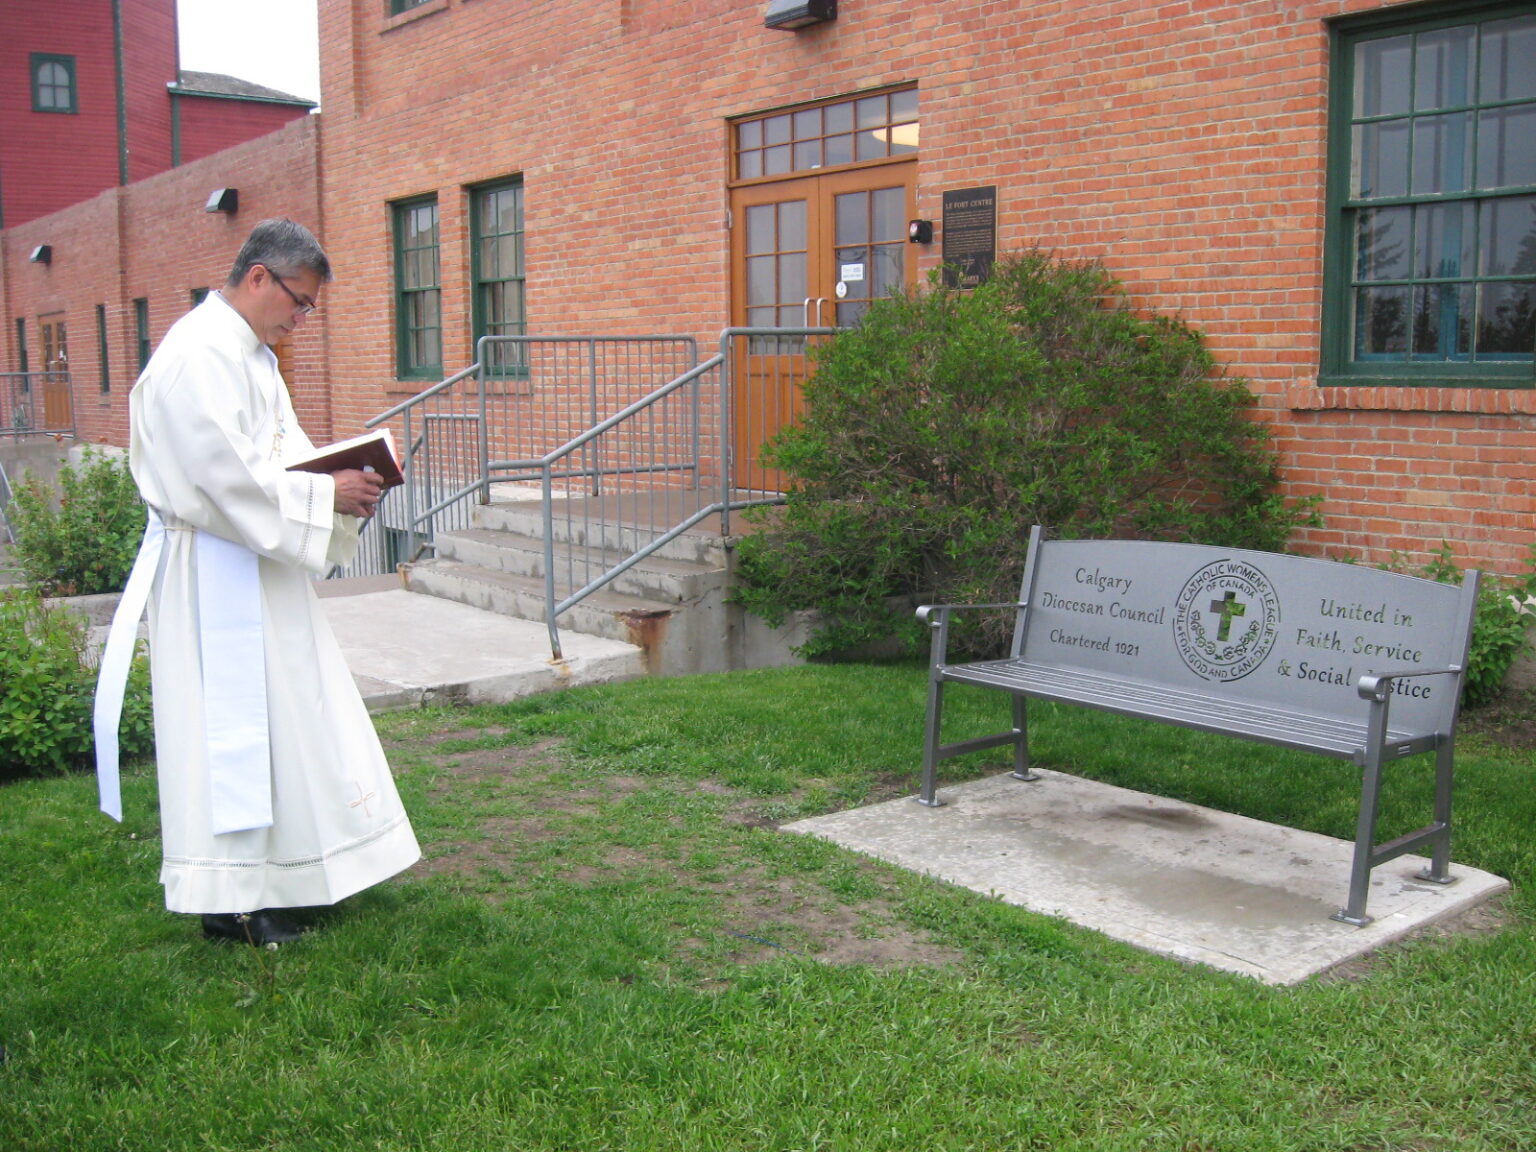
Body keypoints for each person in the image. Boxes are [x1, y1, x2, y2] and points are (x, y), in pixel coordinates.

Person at [94, 218, 420, 946]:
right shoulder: (196, 357)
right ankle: (231, 902)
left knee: (286, 721)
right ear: (258, 278)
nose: (301, 320)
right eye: (298, 302)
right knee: (228, 734)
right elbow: (222, 484)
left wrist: (347, 478)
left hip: (256, 568)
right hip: (214, 576)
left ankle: (285, 877)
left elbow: (282, 455)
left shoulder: (253, 356)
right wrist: (321, 496)